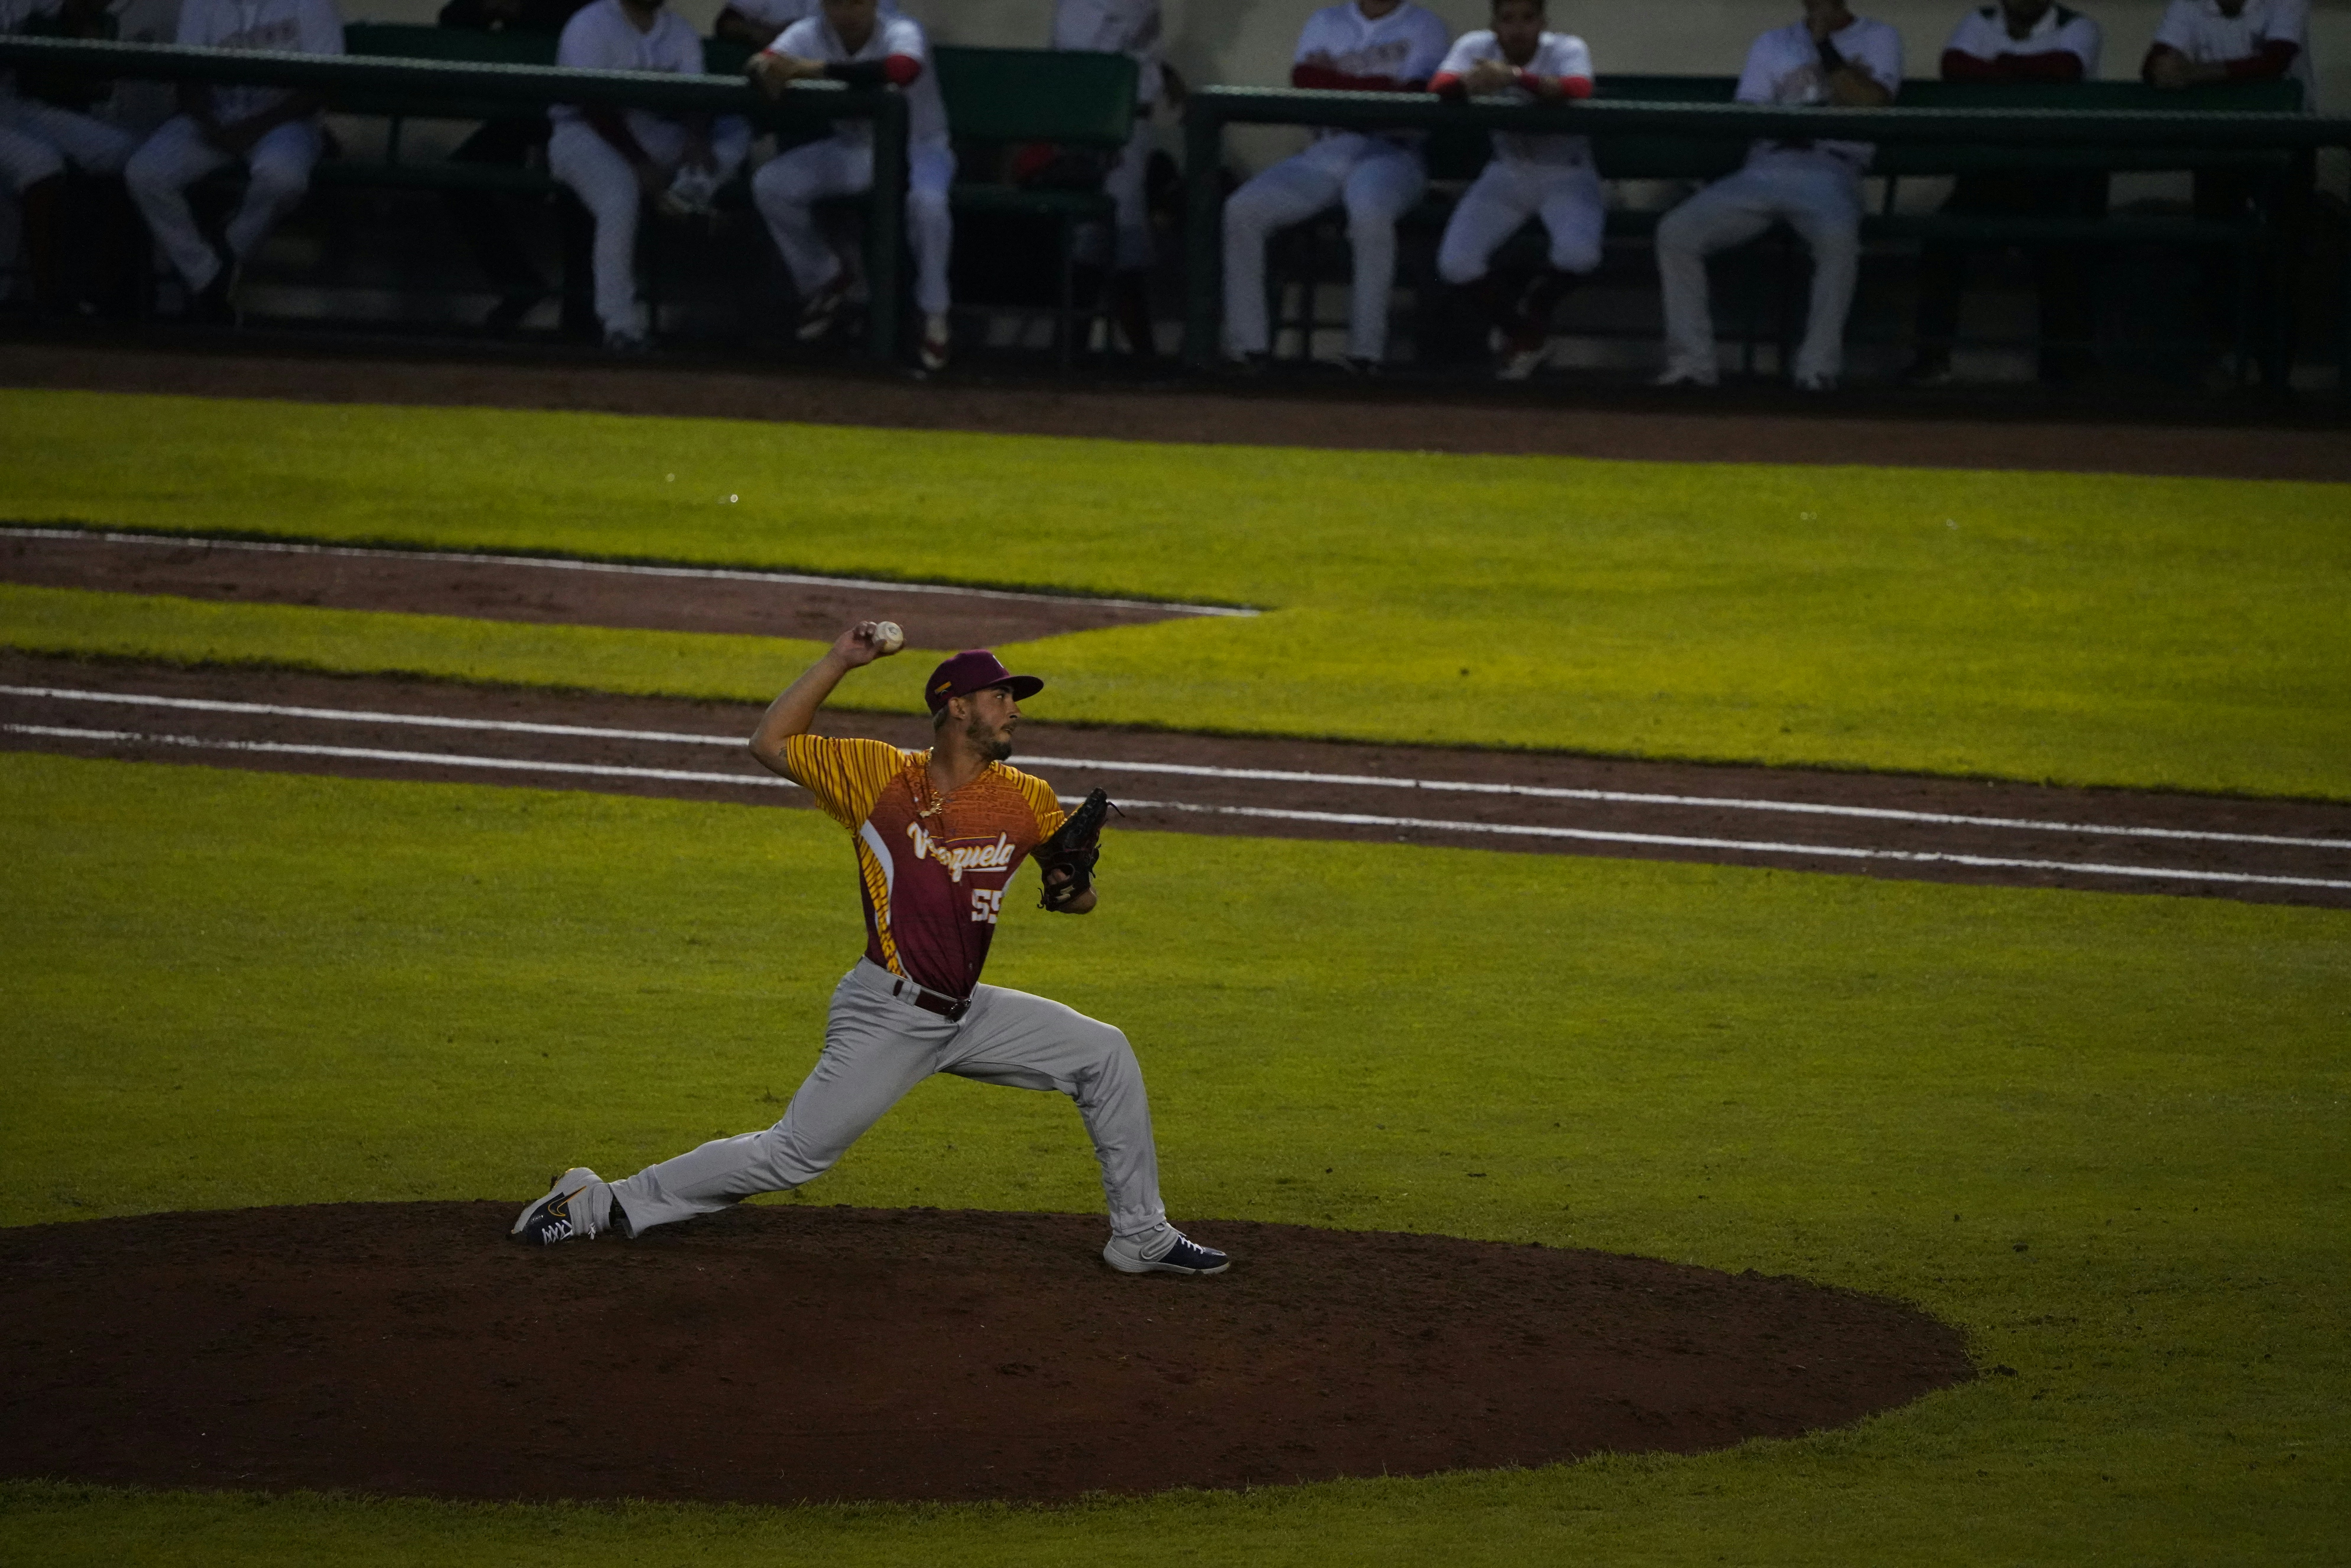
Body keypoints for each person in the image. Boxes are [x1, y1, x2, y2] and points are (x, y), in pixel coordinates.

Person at [512, 631, 1229, 1279]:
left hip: (968, 1011)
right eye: (1000, 696)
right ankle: (598, 1198)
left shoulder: (1028, 798)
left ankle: (1141, 1233)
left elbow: (1074, 896)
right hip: (888, 1010)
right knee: (792, 1153)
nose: (1015, 709)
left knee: (1104, 1053)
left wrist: (1073, 883)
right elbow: (770, 743)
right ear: (955, 708)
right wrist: (841, 661)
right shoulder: (878, 776)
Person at [1653, 0, 1902, 390]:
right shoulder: (1773, 42)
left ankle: (1817, 370)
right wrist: (1806, 122)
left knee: (1839, 242)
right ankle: (1692, 365)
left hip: (1832, 168)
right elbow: (1750, 116)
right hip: (1766, 166)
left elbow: (1872, 104)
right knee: (1677, 233)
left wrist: (1824, 46)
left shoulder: (1879, 37)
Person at [1220, 0, 1450, 371]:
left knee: (1370, 212)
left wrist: (1336, 83)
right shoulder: (1325, 20)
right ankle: (1249, 348)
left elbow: (1411, 99)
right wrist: (1376, 89)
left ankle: (1364, 353)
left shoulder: (1426, 26)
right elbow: (1304, 83)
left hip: (1394, 155)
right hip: (1326, 152)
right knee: (1242, 210)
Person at [1901, 0, 2103, 385]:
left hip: (2054, 175)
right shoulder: (1979, 22)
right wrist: (2026, 72)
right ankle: (1931, 358)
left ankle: (2066, 366)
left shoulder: (2079, 27)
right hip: (1987, 171)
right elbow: (1955, 67)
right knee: (1942, 240)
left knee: (2065, 247)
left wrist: (1996, 69)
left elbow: (2065, 70)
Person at [748, 0, 953, 371]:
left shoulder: (902, 30)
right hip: (856, 150)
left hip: (920, 147)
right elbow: (765, 60)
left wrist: (808, 70)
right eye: (838, 4)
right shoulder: (810, 32)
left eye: (857, 3)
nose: (848, 13)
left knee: (929, 208)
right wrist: (765, 69)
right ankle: (826, 277)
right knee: (771, 184)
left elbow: (901, 70)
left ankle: (933, 312)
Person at [122, 0, 344, 323]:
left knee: (283, 179)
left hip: (283, 122)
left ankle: (229, 249)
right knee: (145, 173)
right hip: (218, 118)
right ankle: (209, 277)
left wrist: (253, 127)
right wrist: (211, 125)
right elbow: (187, 76)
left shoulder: (312, 4)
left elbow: (321, 86)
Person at [548, 0, 750, 351]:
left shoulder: (679, 31)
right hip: (582, 135)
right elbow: (592, 105)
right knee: (619, 197)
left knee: (737, 129)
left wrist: (696, 136)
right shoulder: (590, 23)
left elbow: (696, 96)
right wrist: (639, 164)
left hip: (648, 129)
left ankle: (688, 194)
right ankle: (619, 326)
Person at [2142, 0, 2314, 383]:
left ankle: (2277, 372)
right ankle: (2226, 358)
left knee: (2282, 257)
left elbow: (2276, 62)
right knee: (2216, 253)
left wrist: (2196, 74)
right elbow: (2153, 63)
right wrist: (2165, 71)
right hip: (2220, 144)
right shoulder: (2190, 5)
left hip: (2286, 143)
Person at [1430, 0, 1599, 380]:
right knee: (1456, 264)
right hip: (1506, 171)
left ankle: (1533, 306)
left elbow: (1577, 88)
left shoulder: (1566, 48)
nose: (1518, 28)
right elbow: (1439, 86)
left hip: (1566, 171)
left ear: (1542, 22)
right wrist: (1465, 84)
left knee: (1578, 257)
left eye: (1528, 19)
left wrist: (1515, 78)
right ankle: (1523, 333)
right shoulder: (1478, 46)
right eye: (1508, 20)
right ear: (1495, 24)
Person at [436, 0, 591, 333]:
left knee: (581, 186)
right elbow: (451, 19)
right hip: (525, 112)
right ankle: (518, 284)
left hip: (586, 117)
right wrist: (486, 10)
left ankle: (581, 310)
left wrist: (522, 12)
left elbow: (595, 18)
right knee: (461, 177)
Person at [1052, 0, 1181, 364]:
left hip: (1123, 120)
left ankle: (1072, 352)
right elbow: (1079, 59)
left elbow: (1130, 45)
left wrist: (1165, 72)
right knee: (1109, 243)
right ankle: (1139, 360)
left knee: (1108, 245)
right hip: (1104, 121)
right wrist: (1096, 131)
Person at [1, 0, 139, 313]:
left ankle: (109, 294)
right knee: (40, 163)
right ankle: (49, 303)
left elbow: (71, 7)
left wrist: (85, 23)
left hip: (14, 105)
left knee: (122, 152)